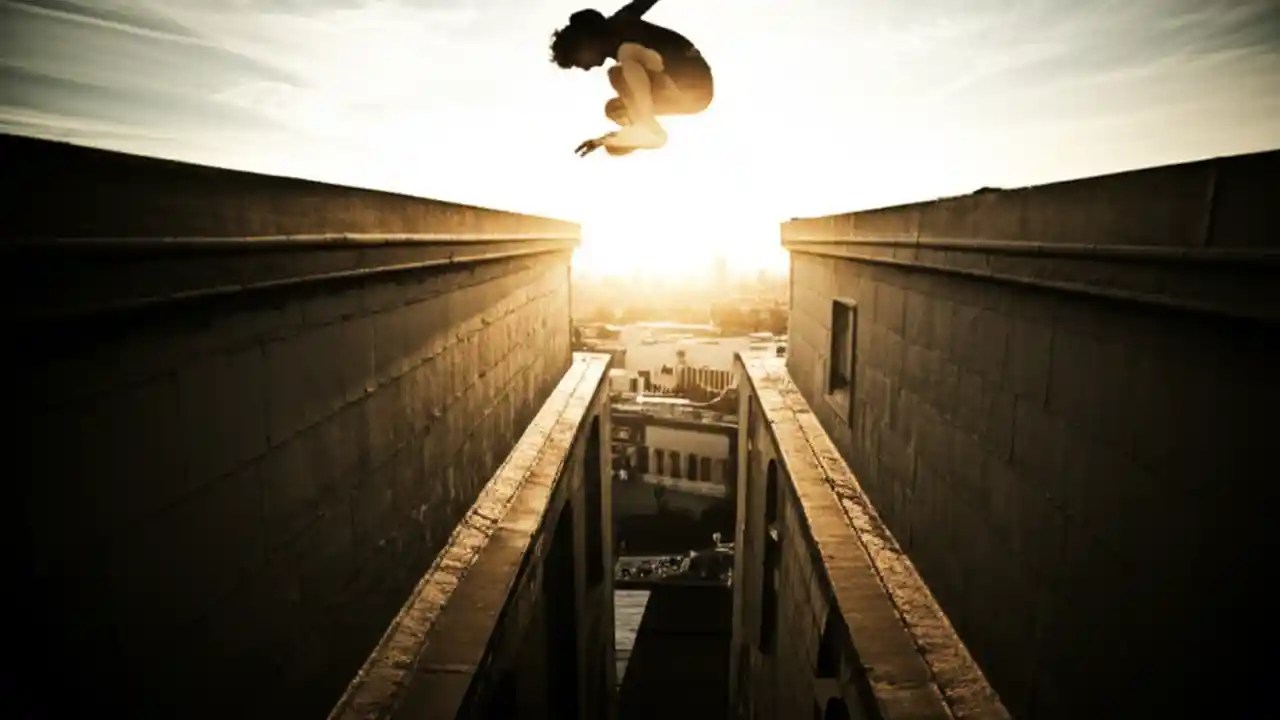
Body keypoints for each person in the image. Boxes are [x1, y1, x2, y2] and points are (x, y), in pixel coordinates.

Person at [549, 0, 714, 157]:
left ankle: (646, 124)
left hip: (693, 79)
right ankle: (647, 131)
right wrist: (606, 140)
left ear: (585, 43)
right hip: (689, 99)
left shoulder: (621, 22)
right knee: (614, 106)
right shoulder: (626, 66)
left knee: (626, 54)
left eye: (578, 61)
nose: (585, 68)